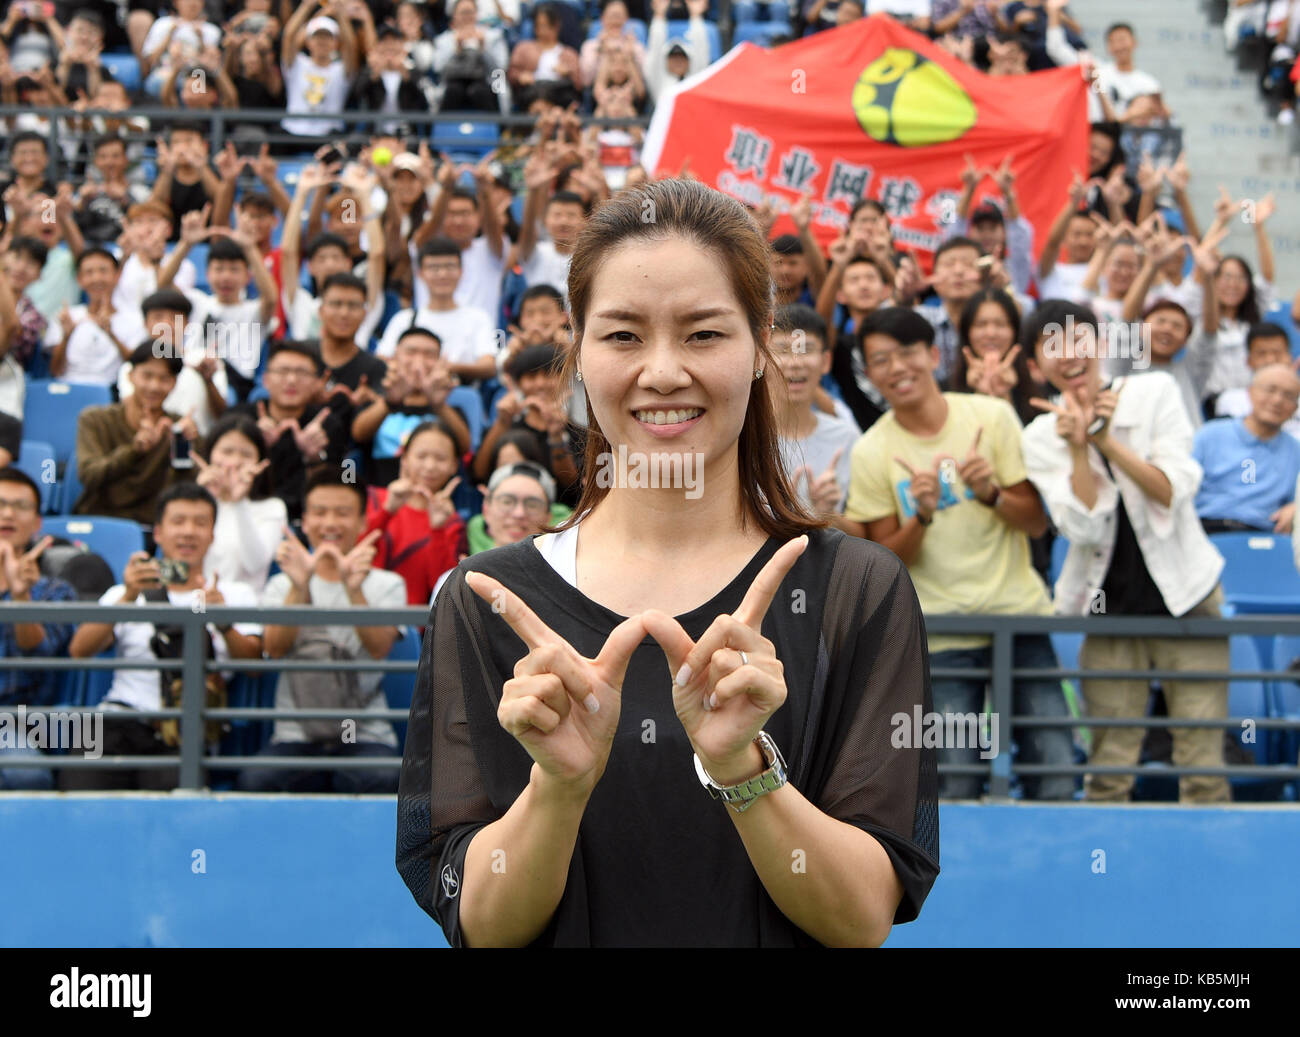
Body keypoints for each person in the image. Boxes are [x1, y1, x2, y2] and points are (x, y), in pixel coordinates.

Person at [396, 179, 938, 948]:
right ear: (577, 351)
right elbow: (483, 924)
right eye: (622, 336)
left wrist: (743, 769)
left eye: (703, 334)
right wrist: (558, 788)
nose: (661, 372)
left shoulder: (856, 587)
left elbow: (861, 917)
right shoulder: (486, 598)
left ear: (760, 346)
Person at [838, 307, 1073, 800]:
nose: (896, 368)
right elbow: (884, 558)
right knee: (956, 783)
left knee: (1055, 766)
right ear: (869, 373)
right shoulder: (872, 450)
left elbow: (1035, 522)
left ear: (931, 354)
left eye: (906, 352)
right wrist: (920, 517)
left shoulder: (991, 416)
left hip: (1019, 619)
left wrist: (990, 493)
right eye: (880, 360)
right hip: (941, 632)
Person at [1020, 302, 1231, 804]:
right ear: (1034, 367)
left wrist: (1106, 442)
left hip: (1189, 598)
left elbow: (1173, 491)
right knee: (1110, 765)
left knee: (1203, 762)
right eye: (1052, 346)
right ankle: (1103, 870)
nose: (1068, 354)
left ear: (1102, 344)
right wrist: (1077, 448)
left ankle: (1211, 869)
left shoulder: (1154, 390)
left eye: (1078, 339)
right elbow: (1083, 526)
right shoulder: (1039, 436)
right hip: (1107, 610)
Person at [63, 483, 263, 791]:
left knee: (172, 818)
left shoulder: (236, 594)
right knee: (80, 799)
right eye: (178, 521)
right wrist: (129, 596)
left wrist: (224, 624)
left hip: (185, 731)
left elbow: (253, 665)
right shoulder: (124, 592)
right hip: (115, 723)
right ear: (157, 532)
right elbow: (80, 649)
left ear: (212, 534)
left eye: (200, 523)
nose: (188, 532)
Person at [240, 472, 405, 793]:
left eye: (342, 513)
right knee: (255, 781)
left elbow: (379, 648)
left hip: (365, 736)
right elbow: (274, 648)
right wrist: (299, 588)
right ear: (304, 520)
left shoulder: (387, 583)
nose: (330, 523)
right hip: (295, 737)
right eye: (320, 512)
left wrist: (353, 589)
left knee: (388, 780)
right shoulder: (280, 584)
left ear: (361, 523)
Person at [0, 468, 73, 791]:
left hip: (18, 721)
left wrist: (19, 595)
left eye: (20, 506)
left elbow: (37, 650)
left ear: (38, 523)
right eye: (0, 504)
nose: (8, 514)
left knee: (25, 774)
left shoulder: (55, 591)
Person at [73, 344, 198, 523]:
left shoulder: (180, 428)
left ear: (174, 384)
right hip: (99, 518)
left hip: (153, 528)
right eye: (147, 376)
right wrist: (135, 450)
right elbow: (89, 476)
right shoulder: (95, 419)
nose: (154, 386)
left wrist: (181, 447)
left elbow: (187, 492)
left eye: (164, 379)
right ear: (130, 376)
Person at [230, 340, 350, 523]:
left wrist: (314, 458)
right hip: (245, 513)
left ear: (316, 383)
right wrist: (255, 446)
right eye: (283, 371)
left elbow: (338, 489)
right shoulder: (240, 418)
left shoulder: (328, 425)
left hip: (301, 520)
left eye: (302, 373)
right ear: (266, 380)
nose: (292, 380)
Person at [352, 326, 471, 487]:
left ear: (441, 362)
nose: (419, 361)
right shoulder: (376, 403)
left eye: (429, 355)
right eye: (411, 352)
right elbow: (359, 434)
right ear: (394, 357)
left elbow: (464, 447)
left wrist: (439, 405)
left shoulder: (450, 410)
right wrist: (389, 402)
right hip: (382, 497)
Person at [366, 420, 467, 604]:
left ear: (454, 466)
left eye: (440, 459)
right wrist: (387, 511)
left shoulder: (452, 523)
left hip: (415, 624)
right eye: (421, 456)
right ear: (404, 459)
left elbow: (443, 589)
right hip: (361, 609)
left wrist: (437, 530)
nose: (429, 466)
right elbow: (355, 549)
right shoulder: (374, 498)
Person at [772, 305, 859, 519]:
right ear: (761, 358)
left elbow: (865, 534)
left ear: (826, 362)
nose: (795, 363)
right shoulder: (739, 440)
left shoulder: (847, 439)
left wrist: (827, 515)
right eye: (783, 350)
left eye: (806, 349)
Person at [1193, 364, 1300, 534]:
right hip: (1206, 529)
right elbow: (1182, 487)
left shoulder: (1296, 451)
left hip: (1265, 536)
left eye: (1289, 396)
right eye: (1270, 390)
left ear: (1295, 408)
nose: (1277, 400)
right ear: (1250, 392)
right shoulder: (1210, 435)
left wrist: (1296, 507)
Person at [376, 238, 498, 382]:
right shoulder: (403, 318)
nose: (442, 274)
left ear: (461, 271)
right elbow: (382, 360)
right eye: (434, 268)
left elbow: (489, 365)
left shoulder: (478, 318)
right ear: (420, 273)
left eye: (449, 267)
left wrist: (448, 368)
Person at [194, 416, 284, 593]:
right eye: (227, 452)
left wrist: (239, 503)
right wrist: (199, 497)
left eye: (246, 454)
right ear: (210, 453)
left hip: (244, 610)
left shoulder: (272, 507)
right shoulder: (193, 501)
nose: (234, 462)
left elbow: (255, 564)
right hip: (194, 605)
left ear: (260, 461)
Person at [46, 247, 143, 385]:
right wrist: (66, 336)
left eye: (103, 271)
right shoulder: (65, 317)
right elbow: (55, 371)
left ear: (117, 275)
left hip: (111, 393)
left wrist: (111, 334)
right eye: (89, 272)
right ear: (79, 279)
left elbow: (136, 367)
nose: (96, 278)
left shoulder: (135, 320)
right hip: (68, 388)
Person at [281, 2, 360, 142]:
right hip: (292, 133)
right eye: (317, 37)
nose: (322, 41)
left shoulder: (340, 70)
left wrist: (341, 15)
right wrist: (306, 6)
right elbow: (289, 36)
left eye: (328, 37)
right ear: (308, 41)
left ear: (336, 43)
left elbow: (351, 46)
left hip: (328, 136)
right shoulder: (297, 64)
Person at [1214, 322, 1300, 437]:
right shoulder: (1230, 400)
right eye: (1262, 354)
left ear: (1289, 356)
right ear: (1249, 361)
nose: (1270, 360)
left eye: (1277, 353)